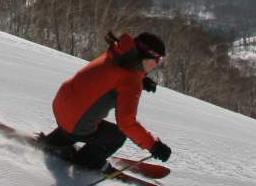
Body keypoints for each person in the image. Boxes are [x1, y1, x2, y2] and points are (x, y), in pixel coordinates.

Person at [41, 31, 172, 173]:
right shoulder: (131, 80)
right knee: (116, 136)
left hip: (61, 105)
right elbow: (127, 122)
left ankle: (56, 141)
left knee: (83, 116)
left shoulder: (117, 54)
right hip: (76, 123)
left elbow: (114, 75)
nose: (157, 65)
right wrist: (153, 146)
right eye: (158, 60)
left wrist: (141, 78)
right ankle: (86, 161)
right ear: (147, 57)